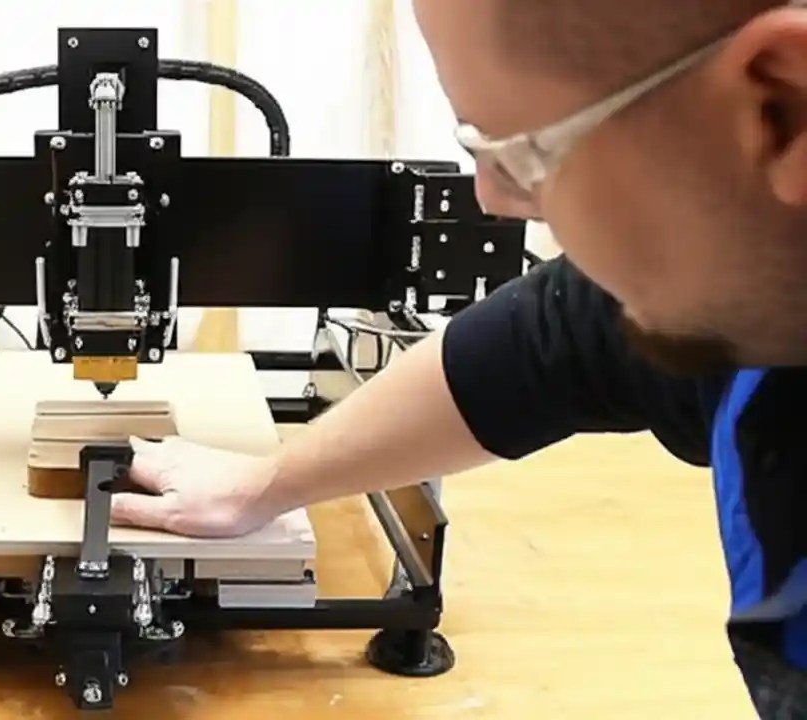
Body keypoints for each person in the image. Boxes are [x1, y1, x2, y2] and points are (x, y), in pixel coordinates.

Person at [108, 0, 807, 715]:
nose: (493, 201)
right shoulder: (731, 287)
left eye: (524, 154)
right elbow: (543, 346)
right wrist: (259, 487)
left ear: (781, 107)